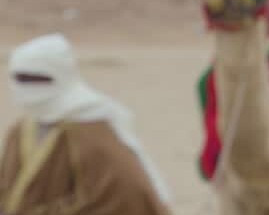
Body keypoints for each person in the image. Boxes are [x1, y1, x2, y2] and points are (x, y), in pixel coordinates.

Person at [0, 33, 172, 215]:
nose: (28, 87)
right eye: (21, 78)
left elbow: (120, 198)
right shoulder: (21, 131)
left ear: (61, 75)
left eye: (37, 78)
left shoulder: (92, 130)